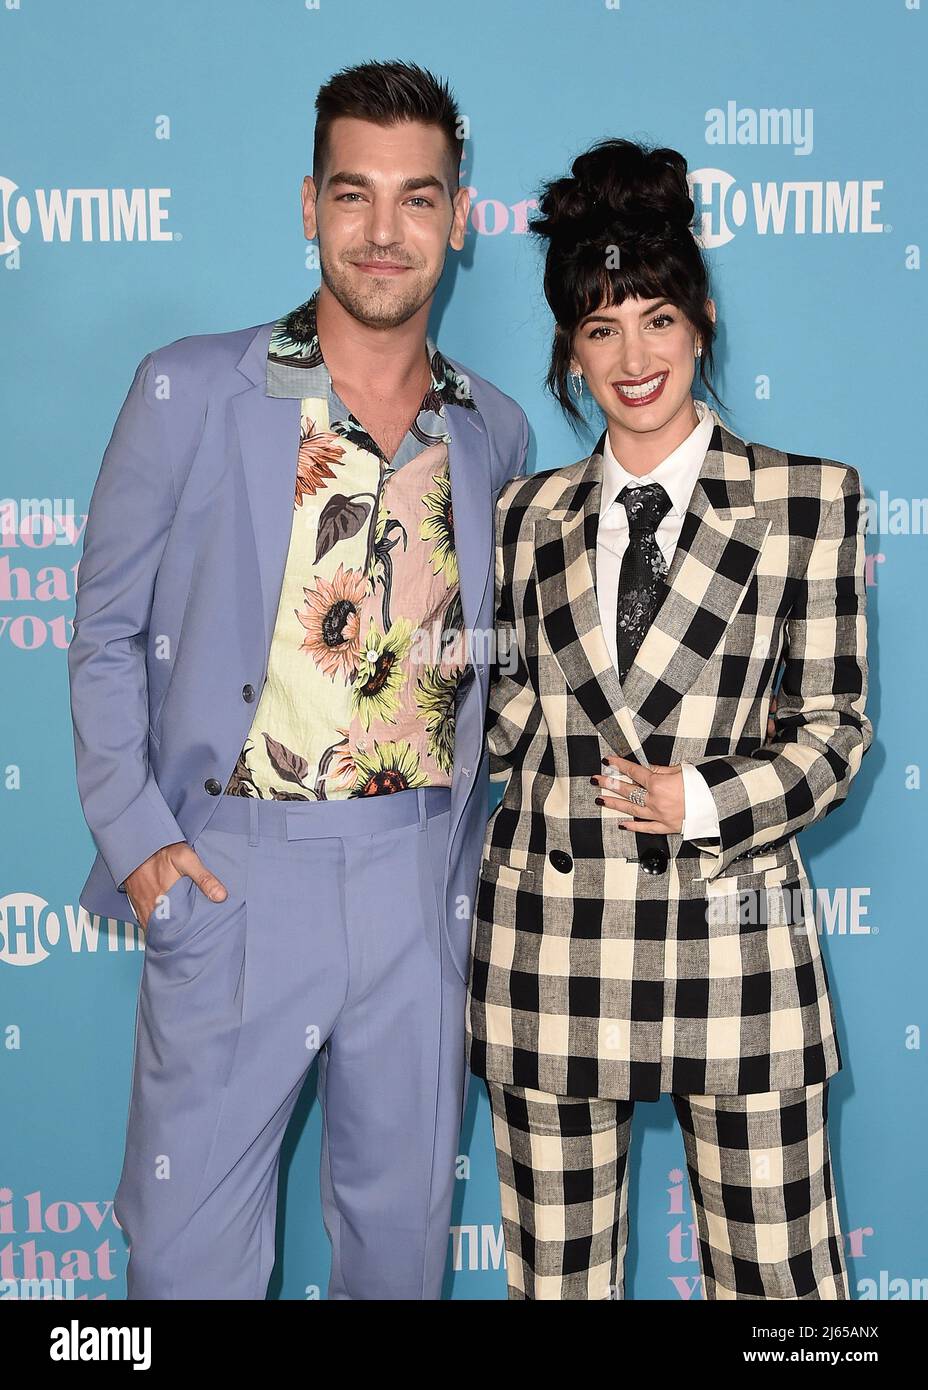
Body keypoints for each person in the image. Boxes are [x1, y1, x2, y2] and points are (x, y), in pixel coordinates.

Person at [67, 59, 528, 1300]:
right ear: (309, 205)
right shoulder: (191, 389)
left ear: (457, 218)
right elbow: (103, 628)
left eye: (418, 199)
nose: (385, 234)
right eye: (355, 195)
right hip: (232, 869)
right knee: (185, 1265)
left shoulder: (494, 430)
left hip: (421, 876)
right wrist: (142, 843)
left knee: (401, 1249)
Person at [466, 138, 872, 1300]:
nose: (631, 356)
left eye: (654, 317)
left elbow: (836, 729)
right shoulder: (522, 514)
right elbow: (496, 723)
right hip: (548, 943)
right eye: (600, 329)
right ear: (569, 350)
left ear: (698, 317)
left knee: (783, 1294)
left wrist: (696, 798)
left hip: (735, 944)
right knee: (558, 1284)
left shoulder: (808, 498)